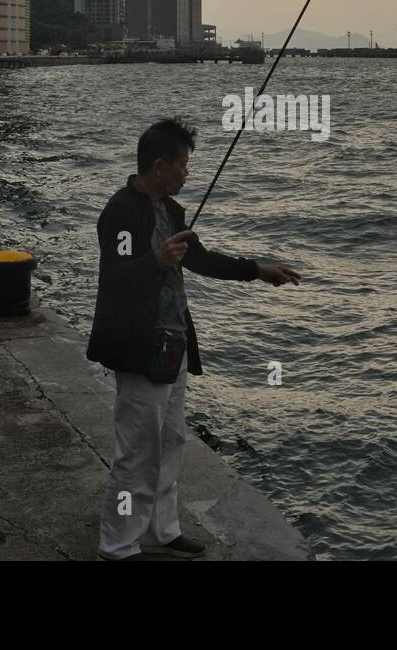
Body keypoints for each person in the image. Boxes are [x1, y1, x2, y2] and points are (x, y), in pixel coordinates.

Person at [86, 117, 300, 561]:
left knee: (172, 442)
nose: (187, 174)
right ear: (159, 165)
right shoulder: (121, 211)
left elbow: (199, 259)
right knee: (136, 453)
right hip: (138, 348)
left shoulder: (171, 210)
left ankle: (164, 530)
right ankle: (118, 543)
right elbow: (115, 279)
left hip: (174, 344)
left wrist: (257, 270)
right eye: (183, 166)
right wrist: (157, 258)